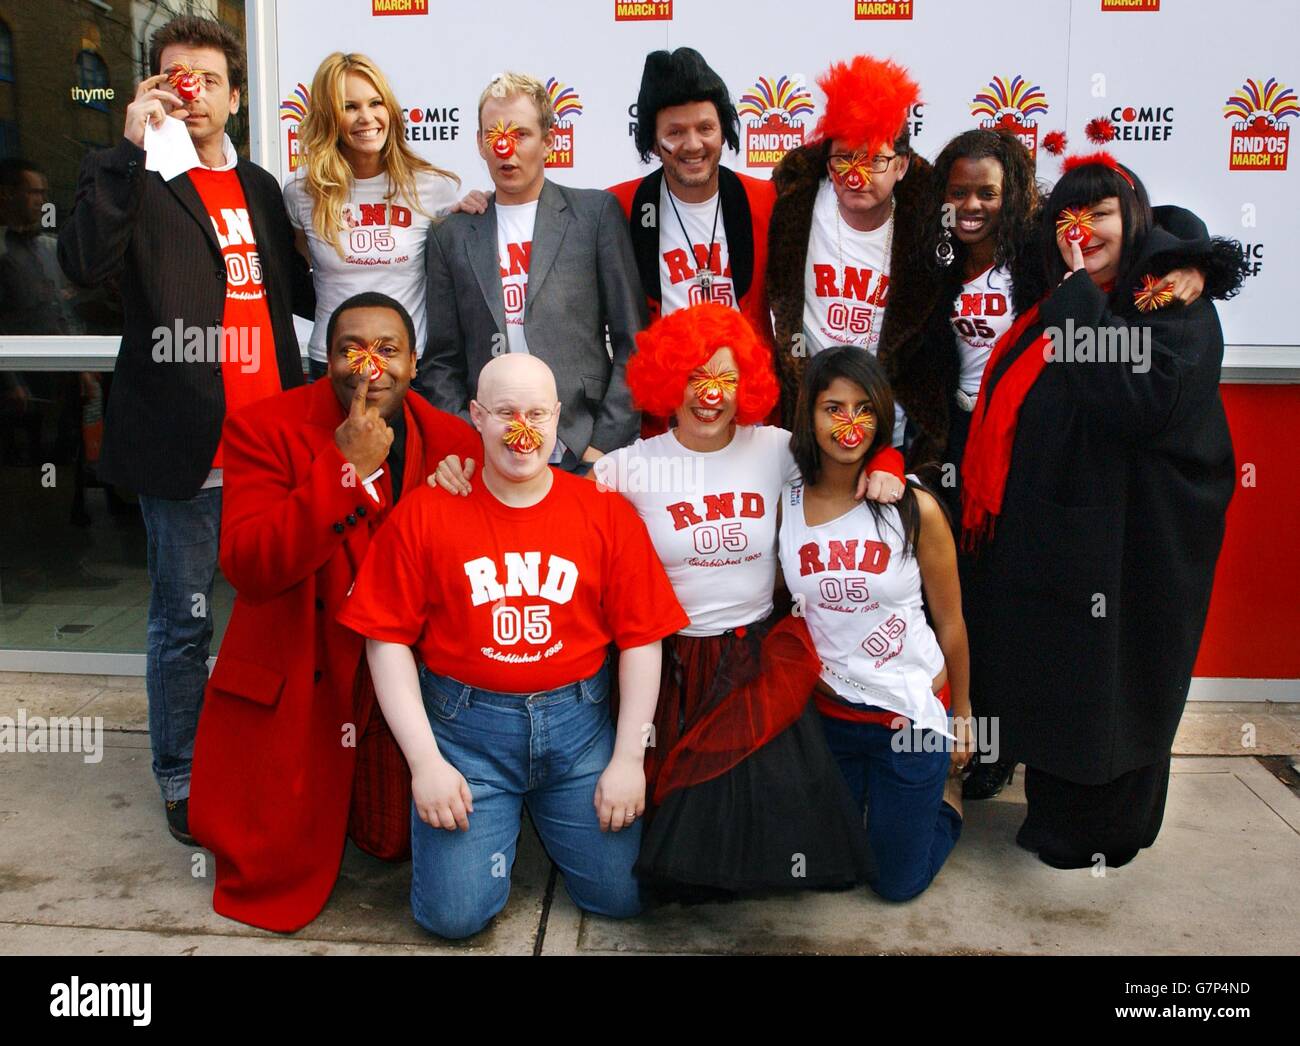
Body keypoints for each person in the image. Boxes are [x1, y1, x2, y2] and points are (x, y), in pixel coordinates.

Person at [56, 14, 314, 844]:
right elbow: (83, 265)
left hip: (272, 446)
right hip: (189, 451)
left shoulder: (263, 189)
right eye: (175, 77)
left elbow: (303, 295)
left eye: (207, 79)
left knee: (278, 614)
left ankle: (267, 752)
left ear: (236, 97)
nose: (190, 93)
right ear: (152, 87)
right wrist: (127, 150)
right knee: (184, 621)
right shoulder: (130, 176)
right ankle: (182, 773)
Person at [898, 129, 1214, 801]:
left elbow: (1139, 220)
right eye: (959, 194)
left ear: (1016, 197)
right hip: (955, 440)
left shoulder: (1043, 252)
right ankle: (961, 733)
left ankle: (1002, 747)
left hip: (1020, 446)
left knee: (1005, 604)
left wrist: (1191, 260)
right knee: (952, 597)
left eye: (989, 192)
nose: (973, 205)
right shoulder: (935, 257)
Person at [959, 151, 1246, 869]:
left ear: (1137, 218)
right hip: (1066, 535)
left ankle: (1102, 838)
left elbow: (1139, 401)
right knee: (1062, 686)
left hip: (1133, 547)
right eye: (1070, 217)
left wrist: (1082, 292)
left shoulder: (1167, 299)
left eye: (1103, 214)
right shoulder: (1059, 293)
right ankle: (1052, 818)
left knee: (1111, 694)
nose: (1083, 229)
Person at [337, 354, 688, 939]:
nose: (521, 430)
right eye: (504, 413)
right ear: (475, 416)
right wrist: (426, 764)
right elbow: (386, 639)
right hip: (466, 737)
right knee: (454, 918)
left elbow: (642, 638)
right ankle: (492, 831)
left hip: (579, 733)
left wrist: (628, 759)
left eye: (536, 414)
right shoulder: (427, 511)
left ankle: (539, 821)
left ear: (558, 418)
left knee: (625, 897)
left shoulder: (604, 513)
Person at [188, 293, 479, 931]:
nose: (368, 365)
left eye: (388, 349)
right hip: (308, 669)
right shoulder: (265, 428)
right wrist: (344, 469)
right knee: (293, 844)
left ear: (415, 361)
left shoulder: (456, 440)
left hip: (398, 677)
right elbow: (251, 566)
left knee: (390, 841)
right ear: (327, 358)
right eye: (351, 348)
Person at [779, 346, 973, 901]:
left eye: (864, 408)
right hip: (831, 715)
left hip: (908, 714)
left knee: (895, 884)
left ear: (883, 417)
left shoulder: (914, 507)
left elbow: (952, 621)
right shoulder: (786, 502)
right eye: (832, 407)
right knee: (825, 870)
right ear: (809, 416)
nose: (848, 424)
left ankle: (947, 801)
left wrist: (963, 714)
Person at [415, 72, 645, 472]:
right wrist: (467, 437)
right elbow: (442, 361)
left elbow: (634, 341)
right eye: (494, 135)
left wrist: (602, 447)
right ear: (479, 143)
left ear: (549, 141)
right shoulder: (450, 235)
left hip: (578, 443)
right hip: (489, 450)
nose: (507, 149)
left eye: (521, 134)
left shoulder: (594, 216)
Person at [285, 52, 486, 381]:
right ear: (329, 117)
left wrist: (479, 207)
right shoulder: (302, 192)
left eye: (375, 103)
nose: (367, 117)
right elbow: (296, 273)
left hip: (409, 368)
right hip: (333, 367)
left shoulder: (432, 186)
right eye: (350, 107)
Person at [767, 55, 925, 445]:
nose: (856, 176)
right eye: (844, 159)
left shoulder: (925, 227)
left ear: (902, 165)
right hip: (810, 418)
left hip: (889, 423)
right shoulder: (795, 205)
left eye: (874, 159)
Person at [608, 48, 775, 340]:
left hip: (750, 381)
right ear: (653, 143)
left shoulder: (765, 200)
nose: (693, 144)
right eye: (675, 133)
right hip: (662, 381)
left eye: (706, 128)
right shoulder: (620, 207)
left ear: (724, 132)